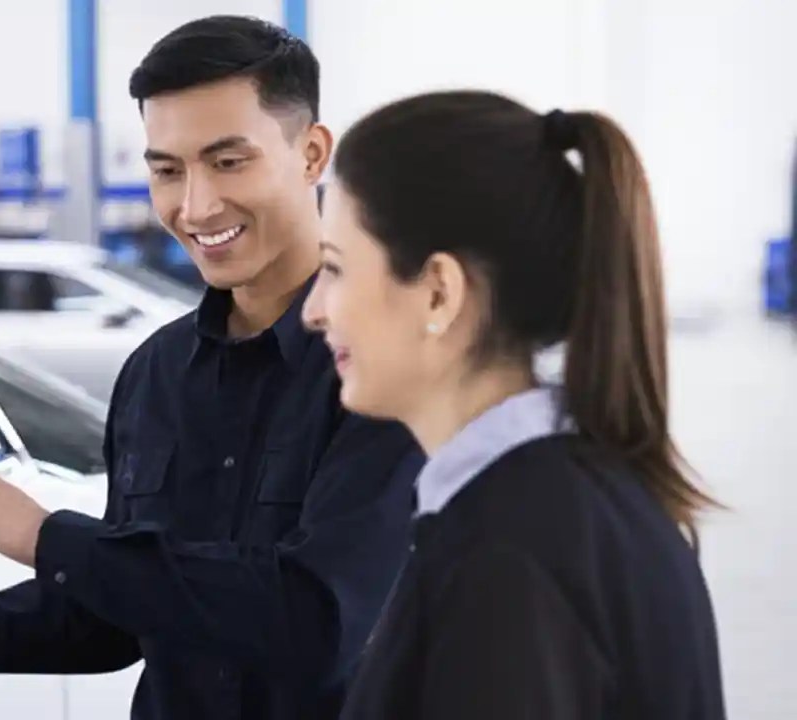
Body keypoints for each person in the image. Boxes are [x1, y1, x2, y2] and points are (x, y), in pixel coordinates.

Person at [0, 15, 423, 720]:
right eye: (167, 170)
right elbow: (112, 620)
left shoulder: (387, 368)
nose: (194, 206)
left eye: (229, 162)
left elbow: (320, 621)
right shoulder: (156, 374)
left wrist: (48, 538)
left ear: (313, 154)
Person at [299, 89, 727, 719]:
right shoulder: (577, 496)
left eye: (334, 268)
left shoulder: (506, 558)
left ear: (439, 293)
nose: (312, 311)